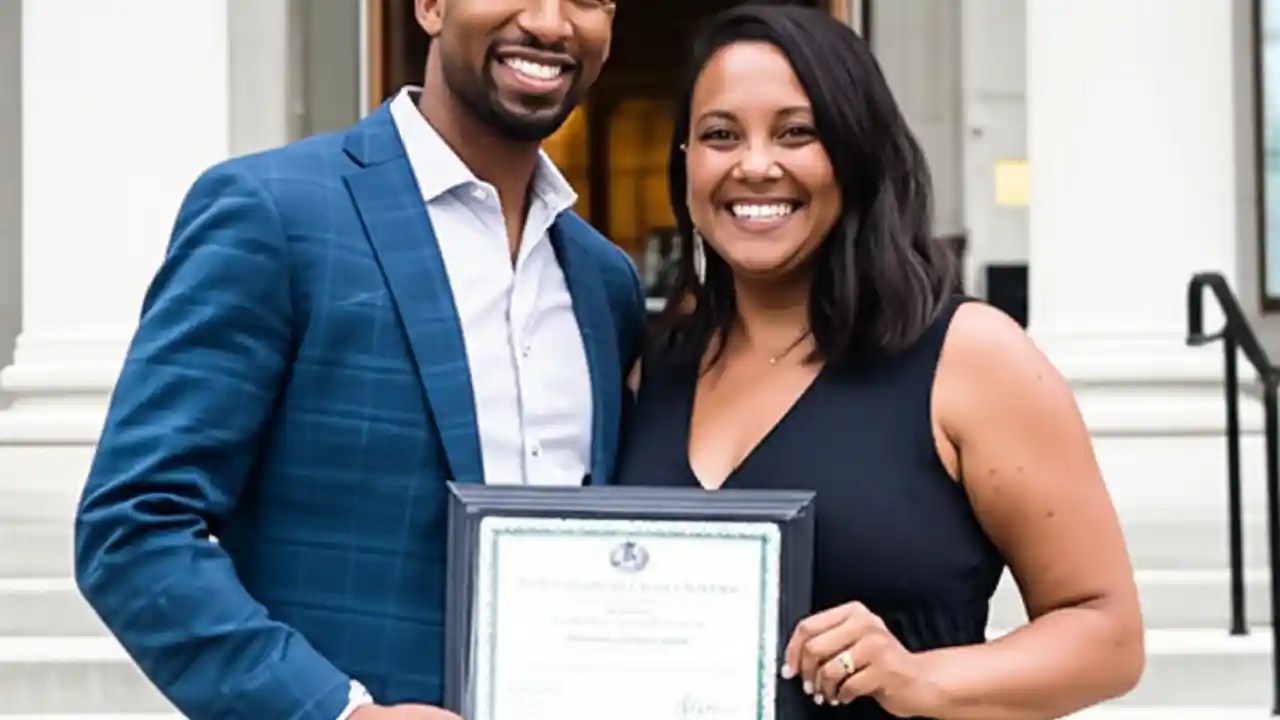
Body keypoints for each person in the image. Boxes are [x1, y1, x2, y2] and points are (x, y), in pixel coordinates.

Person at [73, 1, 638, 719]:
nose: (553, 24)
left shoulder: (603, 282)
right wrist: (338, 713)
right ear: (430, 7)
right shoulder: (272, 213)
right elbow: (134, 526)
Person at [615, 5, 1144, 718]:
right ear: (686, 162)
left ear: (856, 151)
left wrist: (921, 680)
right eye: (719, 135)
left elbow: (1107, 637)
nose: (756, 164)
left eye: (797, 132)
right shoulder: (656, 367)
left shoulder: (970, 357)